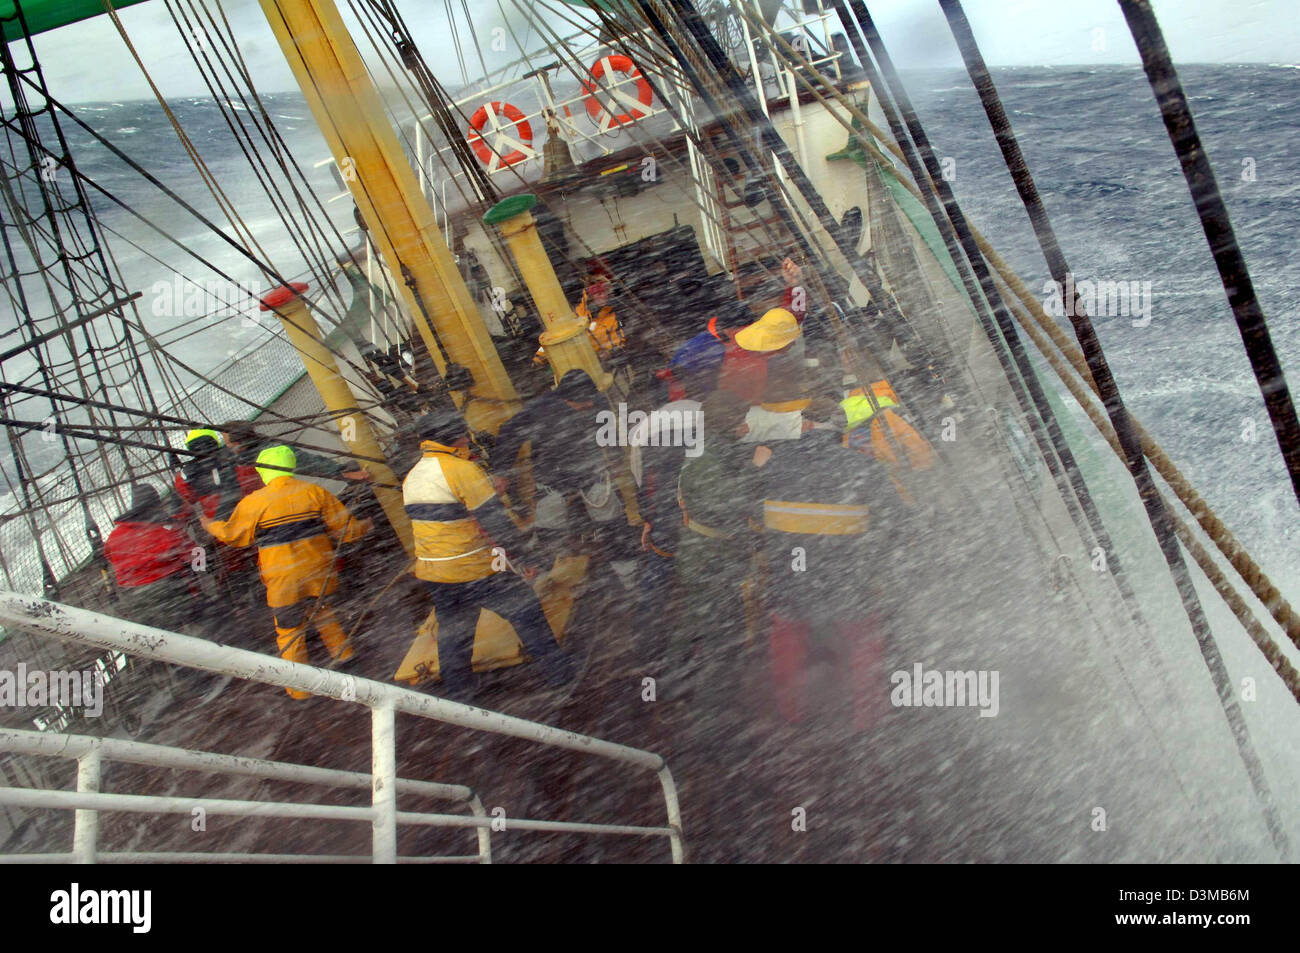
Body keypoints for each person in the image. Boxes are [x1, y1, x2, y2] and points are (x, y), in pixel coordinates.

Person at [403, 410, 574, 698]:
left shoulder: (413, 476)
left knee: (454, 633)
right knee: (526, 611)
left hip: (435, 573)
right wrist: (526, 557)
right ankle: (559, 674)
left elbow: (446, 517)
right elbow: (497, 522)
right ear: (458, 438)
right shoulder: (463, 471)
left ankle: (460, 695)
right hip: (473, 569)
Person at [755, 398, 899, 726]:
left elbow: (752, 520)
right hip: (848, 579)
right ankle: (869, 718)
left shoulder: (773, 468)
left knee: (787, 644)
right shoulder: (867, 469)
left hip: (792, 578)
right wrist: (874, 568)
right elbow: (894, 523)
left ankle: (791, 717)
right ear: (842, 429)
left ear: (804, 426)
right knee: (863, 643)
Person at [199, 445, 371, 699]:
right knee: (323, 613)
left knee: (289, 628)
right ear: (290, 465)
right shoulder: (313, 492)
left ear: (262, 472)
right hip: (318, 571)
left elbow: (233, 536)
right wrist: (366, 525)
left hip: (283, 579)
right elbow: (347, 531)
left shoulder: (254, 502)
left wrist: (210, 525)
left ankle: (299, 690)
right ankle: (346, 658)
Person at [672, 389, 759, 690]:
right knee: (713, 629)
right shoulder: (706, 456)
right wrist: (755, 468)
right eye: (741, 422)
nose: (746, 428)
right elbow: (726, 503)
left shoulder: (708, 444)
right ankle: (712, 695)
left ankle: (678, 681)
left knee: (698, 619)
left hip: (707, 554)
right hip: (708, 558)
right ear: (724, 422)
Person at [492, 369, 617, 558]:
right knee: (551, 526)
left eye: (591, 400)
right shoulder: (539, 410)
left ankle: (625, 567)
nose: (590, 405)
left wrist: (613, 457)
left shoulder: (597, 401)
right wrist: (501, 471)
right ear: (566, 400)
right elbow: (509, 432)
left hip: (591, 473)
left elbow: (608, 433)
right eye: (582, 404)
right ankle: (554, 567)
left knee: (612, 520)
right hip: (552, 479)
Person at [104, 483, 198, 631]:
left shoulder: (115, 534)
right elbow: (193, 555)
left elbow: (109, 556)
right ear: (157, 503)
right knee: (182, 624)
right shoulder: (168, 529)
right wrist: (204, 566)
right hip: (168, 593)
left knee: (153, 632)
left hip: (132, 597)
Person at [174, 428, 256, 520]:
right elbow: (250, 478)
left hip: (218, 520)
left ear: (190, 447)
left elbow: (184, 504)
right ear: (214, 441)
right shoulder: (233, 455)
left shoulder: (186, 473)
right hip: (250, 510)